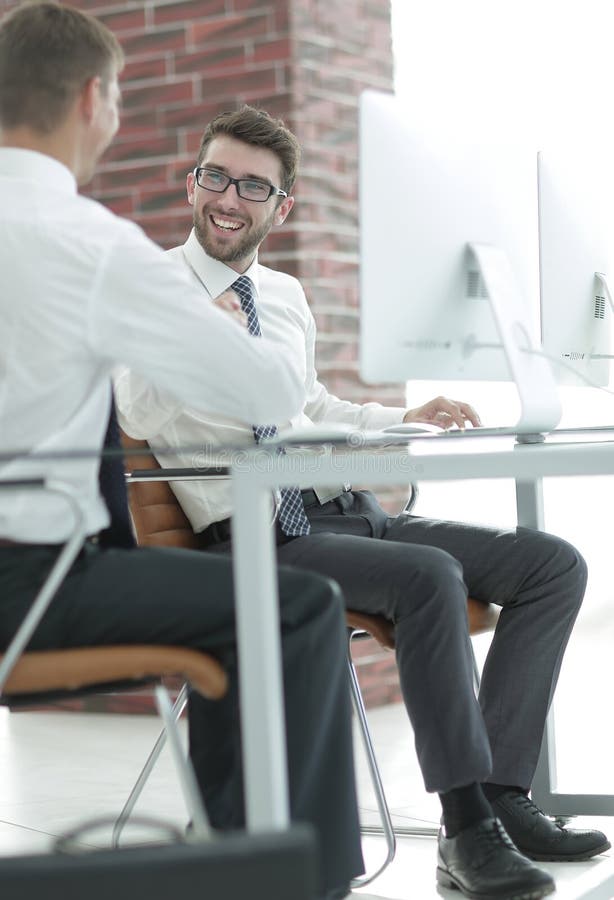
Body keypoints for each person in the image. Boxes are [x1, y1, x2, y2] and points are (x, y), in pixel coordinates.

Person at [117, 104, 611, 900]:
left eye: (253, 186)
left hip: (344, 513)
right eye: (216, 177)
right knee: (429, 575)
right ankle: (466, 832)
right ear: (191, 183)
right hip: (258, 534)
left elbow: (310, 405)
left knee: (552, 565)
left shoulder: (283, 295)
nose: (229, 199)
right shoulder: (152, 291)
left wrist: (402, 417)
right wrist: (193, 339)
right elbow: (135, 409)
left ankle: (500, 797)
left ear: (282, 207)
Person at [0, 6, 364, 898]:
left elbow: (302, 402)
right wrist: (220, 324)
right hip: (35, 584)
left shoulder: (254, 286)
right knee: (301, 607)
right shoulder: (91, 245)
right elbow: (269, 394)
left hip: (37, 569)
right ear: (94, 99)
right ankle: (288, 884)